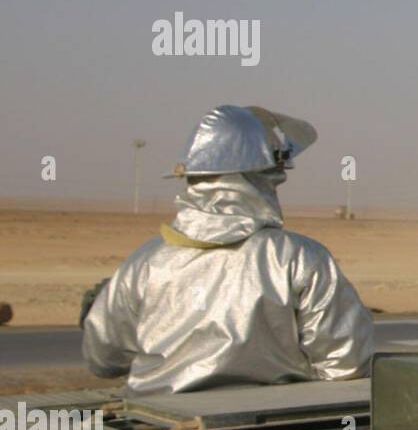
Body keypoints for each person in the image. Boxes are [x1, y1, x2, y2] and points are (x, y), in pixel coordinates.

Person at [82, 105, 373, 394]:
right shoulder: (299, 258)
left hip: (156, 423)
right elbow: (345, 365)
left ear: (190, 177)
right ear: (265, 175)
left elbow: (103, 360)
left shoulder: (145, 262)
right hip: (270, 427)